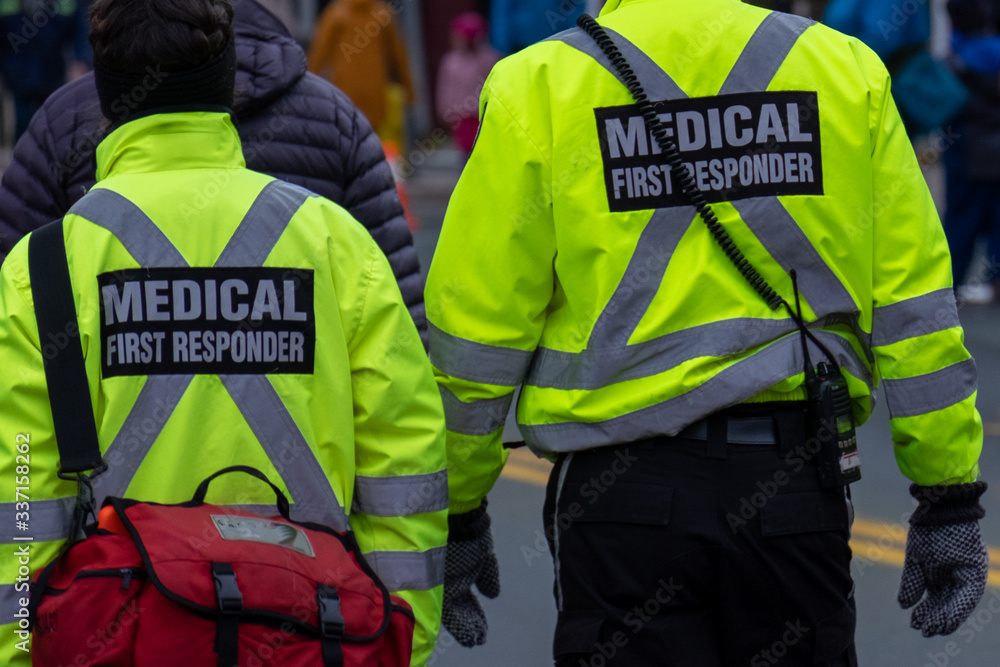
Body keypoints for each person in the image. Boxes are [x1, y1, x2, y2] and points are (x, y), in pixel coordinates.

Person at [427, 1, 987, 664]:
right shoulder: (843, 71)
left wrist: (455, 511)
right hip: (791, 486)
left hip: (619, 500)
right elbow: (915, 311)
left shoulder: (541, 84)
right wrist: (948, 496)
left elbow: (476, 332)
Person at [0, 0, 447, 665]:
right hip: (309, 636)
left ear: (105, 90)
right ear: (227, 77)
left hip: (122, 642)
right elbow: (403, 456)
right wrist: (395, 635)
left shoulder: (43, 266)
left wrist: (22, 648)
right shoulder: (336, 244)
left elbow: (23, 490)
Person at [0, 0, 428, 348]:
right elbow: (397, 324)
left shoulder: (63, 120)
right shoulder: (336, 120)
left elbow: (14, 310)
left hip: (95, 447)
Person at [941, 0, 1000, 302]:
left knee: (960, 222)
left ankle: (948, 284)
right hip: (989, 151)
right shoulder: (991, 50)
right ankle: (994, 282)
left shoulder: (960, 58)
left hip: (967, 152)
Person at [307, 0, 415, 142]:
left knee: (346, 140)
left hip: (345, 91)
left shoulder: (336, 13)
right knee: (373, 140)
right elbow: (398, 55)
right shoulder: (382, 14)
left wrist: (306, 91)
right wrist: (410, 92)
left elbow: (319, 54)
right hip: (375, 91)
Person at [0, 0, 91, 141]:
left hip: (52, 73)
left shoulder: (65, 4)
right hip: (17, 74)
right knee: (22, 122)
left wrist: (80, 62)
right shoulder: (8, 4)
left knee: (51, 123)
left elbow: (79, 30)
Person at [435, 12, 500, 161]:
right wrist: (445, 111)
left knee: (486, 152)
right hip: (461, 118)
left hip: (483, 116)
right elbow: (445, 89)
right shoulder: (451, 61)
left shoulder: (488, 59)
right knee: (465, 155)